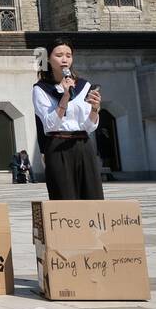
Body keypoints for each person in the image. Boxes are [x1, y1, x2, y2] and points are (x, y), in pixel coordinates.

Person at [32, 38, 104, 200]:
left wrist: (95, 109)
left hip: (83, 145)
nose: (64, 59)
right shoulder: (41, 89)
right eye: (59, 55)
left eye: (68, 55)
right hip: (58, 146)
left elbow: (88, 126)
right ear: (48, 59)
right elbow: (50, 125)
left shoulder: (83, 86)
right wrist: (65, 96)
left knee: (92, 195)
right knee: (65, 197)